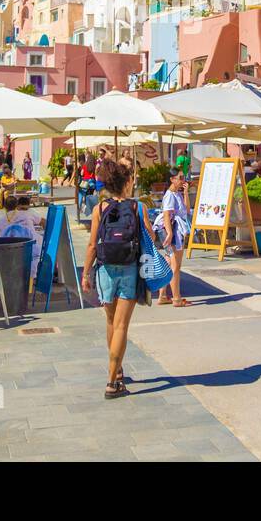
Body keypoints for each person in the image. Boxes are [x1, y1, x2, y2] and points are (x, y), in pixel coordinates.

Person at [81, 161, 154, 399]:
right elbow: (151, 237)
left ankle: (118, 369)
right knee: (122, 325)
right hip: (130, 268)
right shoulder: (138, 207)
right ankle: (112, 382)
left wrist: (85, 274)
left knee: (111, 322)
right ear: (126, 183)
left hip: (104, 270)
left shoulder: (99, 209)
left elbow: (92, 244)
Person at [153, 168, 192, 307]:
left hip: (173, 231)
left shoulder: (177, 194)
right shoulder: (170, 195)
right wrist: (169, 234)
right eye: (180, 177)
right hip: (173, 231)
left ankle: (163, 295)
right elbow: (166, 215)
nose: (183, 180)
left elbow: (186, 211)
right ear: (172, 179)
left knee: (169, 264)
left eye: (183, 177)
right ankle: (177, 298)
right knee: (176, 265)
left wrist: (186, 193)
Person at [0, 194, 45, 283]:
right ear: (17, 205)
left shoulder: (1, 220)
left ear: (4, 207)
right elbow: (44, 222)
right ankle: (34, 277)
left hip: (9, 252)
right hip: (30, 249)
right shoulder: (26, 214)